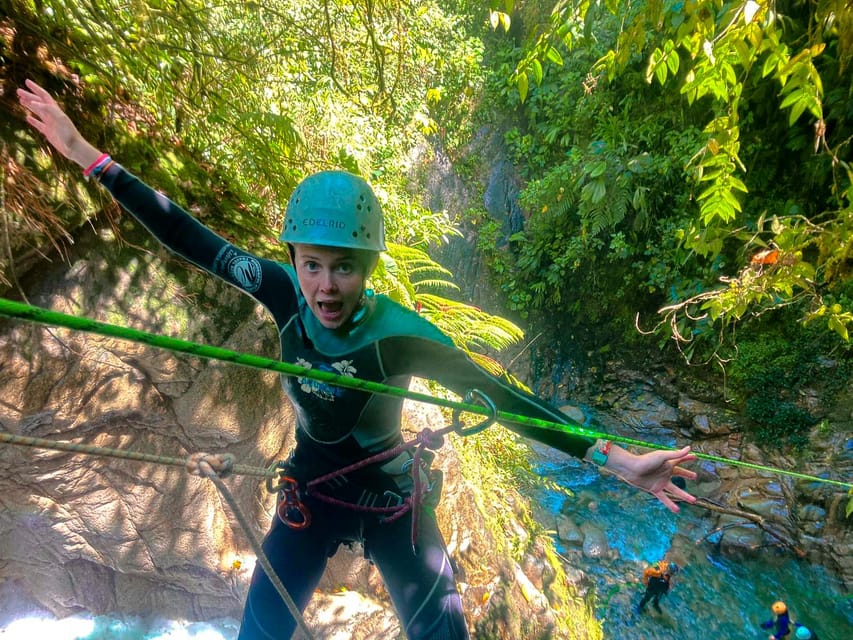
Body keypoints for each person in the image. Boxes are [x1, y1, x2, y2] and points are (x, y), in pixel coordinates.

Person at [17, 78, 698, 640]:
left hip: (390, 501)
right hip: (309, 492)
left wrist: (615, 462)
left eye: (343, 268)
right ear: (293, 261)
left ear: (367, 268)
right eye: (311, 265)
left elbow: (499, 396)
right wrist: (85, 153)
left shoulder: (397, 335)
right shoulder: (280, 291)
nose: (324, 286)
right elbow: (187, 237)